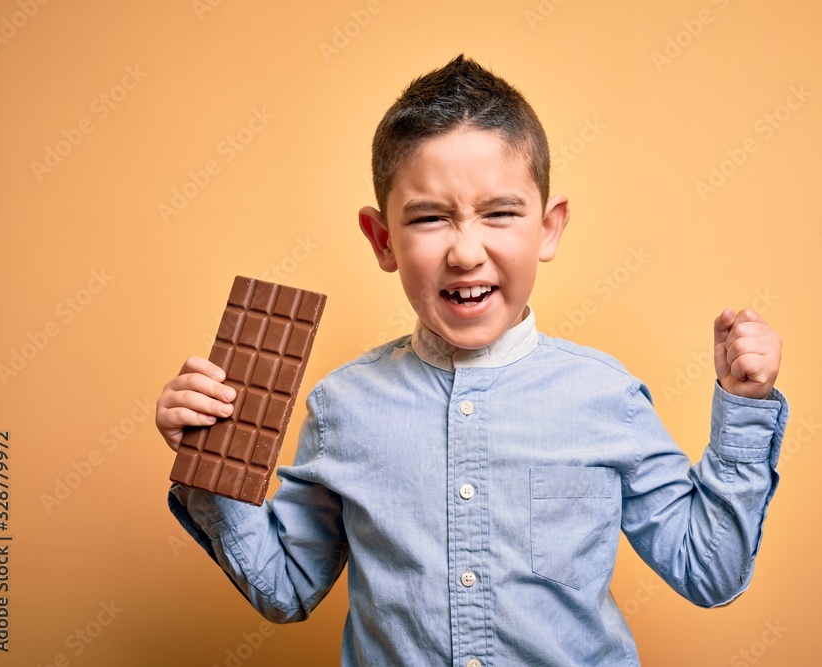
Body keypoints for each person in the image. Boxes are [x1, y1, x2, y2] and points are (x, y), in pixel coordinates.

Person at [156, 54, 788, 666]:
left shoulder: (604, 397)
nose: (465, 252)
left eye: (500, 214)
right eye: (429, 218)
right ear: (382, 240)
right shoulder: (342, 407)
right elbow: (285, 589)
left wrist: (745, 412)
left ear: (548, 226)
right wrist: (208, 462)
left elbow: (710, 571)